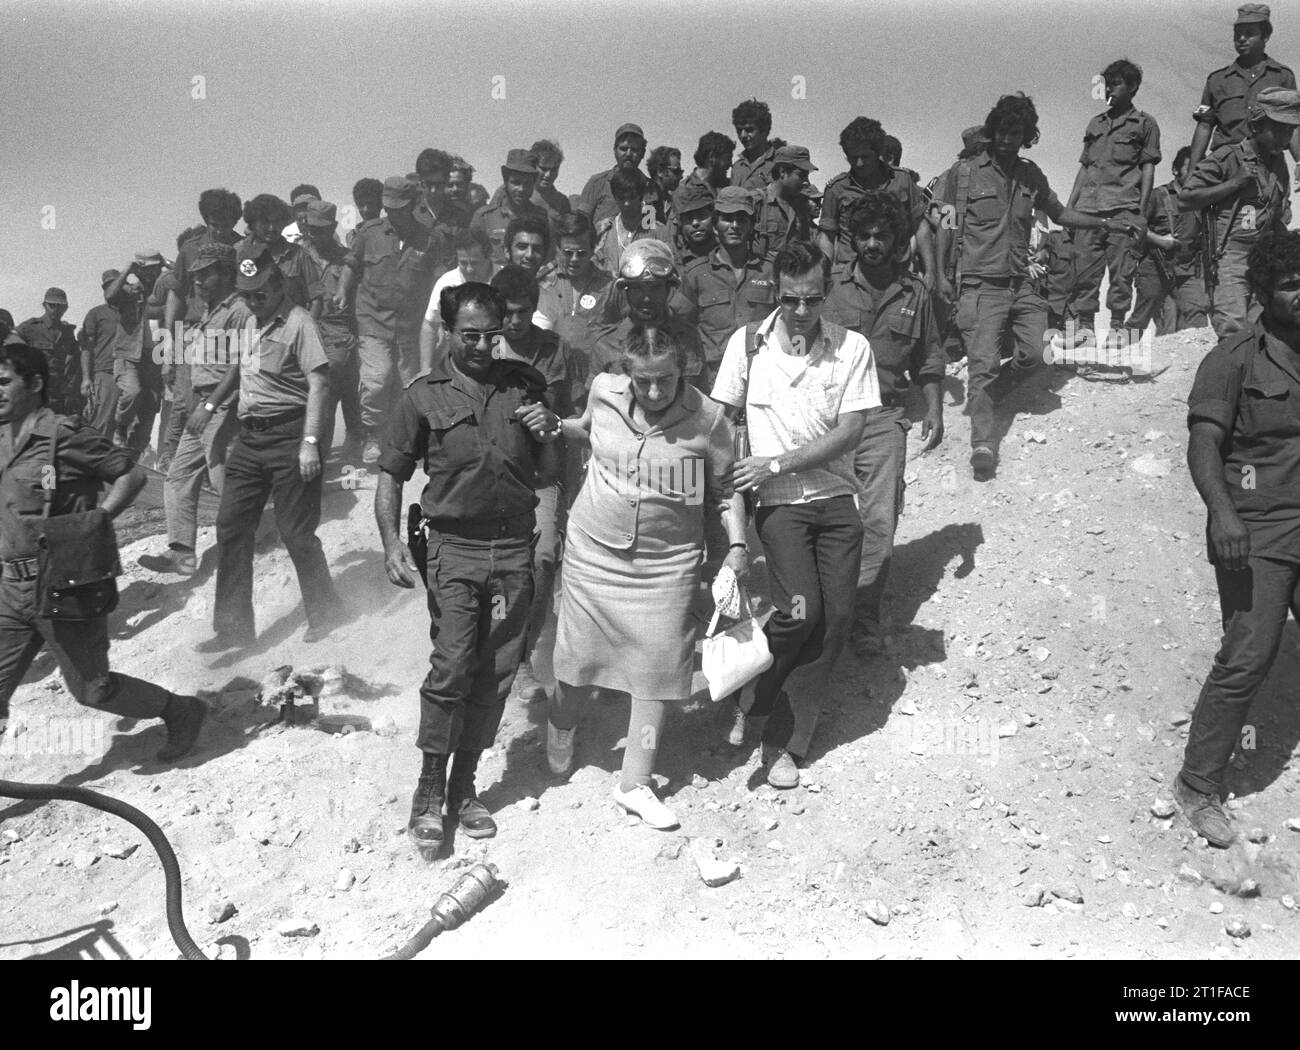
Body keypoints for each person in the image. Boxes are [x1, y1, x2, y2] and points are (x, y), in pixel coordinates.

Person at [376, 281, 562, 853]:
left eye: (491, 335)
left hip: (512, 552)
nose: (482, 346)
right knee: (453, 664)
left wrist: (548, 432)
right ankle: (429, 788)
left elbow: (548, 471)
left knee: (497, 671)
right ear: (448, 333)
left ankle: (464, 786)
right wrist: (390, 543)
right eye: (469, 335)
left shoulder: (524, 389)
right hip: (454, 550)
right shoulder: (421, 397)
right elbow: (391, 475)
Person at [547, 327, 745, 828]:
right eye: (643, 381)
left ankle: (635, 782)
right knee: (574, 665)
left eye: (666, 380)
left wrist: (737, 547)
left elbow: (726, 491)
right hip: (593, 555)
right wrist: (553, 425)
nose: (655, 392)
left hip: (666, 566)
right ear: (626, 373)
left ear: (683, 371)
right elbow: (585, 430)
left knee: (657, 673)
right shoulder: (603, 392)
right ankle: (561, 724)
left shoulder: (708, 419)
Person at [710, 241, 879, 788]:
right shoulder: (746, 347)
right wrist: (731, 511)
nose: (801, 310)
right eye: (790, 299)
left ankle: (780, 739)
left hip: (836, 501)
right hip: (780, 506)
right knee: (802, 614)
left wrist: (777, 461)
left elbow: (851, 431)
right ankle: (754, 692)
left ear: (827, 293)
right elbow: (719, 424)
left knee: (835, 622)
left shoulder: (851, 348)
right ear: (776, 292)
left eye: (812, 299)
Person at [0, 342, 206, 760]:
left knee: (93, 690)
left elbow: (130, 476)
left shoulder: (63, 434)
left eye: (3, 382)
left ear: (35, 383)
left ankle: (180, 710)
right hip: (10, 589)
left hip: (61, 584)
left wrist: (96, 523)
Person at [936, 93, 1143, 478]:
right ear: (992, 130)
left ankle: (994, 394)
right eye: (1001, 131)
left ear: (1026, 136)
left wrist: (1106, 223)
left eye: (1015, 133)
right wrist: (940, 277)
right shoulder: (962, 175)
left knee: (1038, 354)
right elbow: (944, 226)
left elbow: (1060, 214)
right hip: (980, 286)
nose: (1006, 139)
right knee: (983, 365)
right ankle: (983, 443)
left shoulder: (1031, 175)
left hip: (1022, 286)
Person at [1177, 227, 1300, 847]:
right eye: (1291, 284)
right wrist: (1222, 515)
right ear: (1263, 292)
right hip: (1258, 526)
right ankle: (1198, 783)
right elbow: (1204, 444)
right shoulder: (1233, 359)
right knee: (1249, 654)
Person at [196, 246, 344, 651]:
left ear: (279, 286)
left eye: (260, 293)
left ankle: (327, 611)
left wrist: (310, 443)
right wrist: (208, 407)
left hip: (290, 435)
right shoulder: (249, 321)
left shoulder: (300, 323)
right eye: (246, 294)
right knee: (231, 526)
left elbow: (320, 384)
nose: (253, 301)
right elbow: (238, 368)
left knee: (296, 532)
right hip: (250, 438)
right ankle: (233, 628)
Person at [823, 192, 945, 655]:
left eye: (882, 236)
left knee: (879, 519)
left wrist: (934, 408)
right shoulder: (830, 287)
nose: (873, 244)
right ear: (853, 240)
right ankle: (826, 614)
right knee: (827, 518)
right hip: (829, 419)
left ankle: (864, 618)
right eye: (864, 236)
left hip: (883, 417)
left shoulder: (915, 293)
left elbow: (929, 357)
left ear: (897, 240)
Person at [490, 266, 579, 705]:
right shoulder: (480, 348)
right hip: (490, 476)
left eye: (523, 312)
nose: (515, 321)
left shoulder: (556, 349)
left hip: (541, 475)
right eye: (506, 313)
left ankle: (522, 658)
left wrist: (554, 421)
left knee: (543, 558)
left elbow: (575, 415)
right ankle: (483, 652)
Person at [140, 243, 251, 577]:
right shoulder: (210, 312)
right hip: (203, 404)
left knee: (221, 474)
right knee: (178, 476)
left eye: (206, 274)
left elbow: (241, 366)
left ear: (227, 273)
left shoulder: (240, 311)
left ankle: (250, 536)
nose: (199, 282)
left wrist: (210, 405)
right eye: (197, 276)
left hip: (224, 405)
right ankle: (183, 554)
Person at [1179, 86, 1297, 338]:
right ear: (1256, 126)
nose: (1284, 138)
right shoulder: (1228, 157)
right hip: (1230, 257)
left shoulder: (1279, 164)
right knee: (1233, 332)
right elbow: (1186, 199)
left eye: (1289, 131)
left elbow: (1275, 216)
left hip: (1264, 259)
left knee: (1265, 333)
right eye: (1277, 129)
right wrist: (1234, 183)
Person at [339, 176, 437, 464]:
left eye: (400, 208)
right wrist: (342, 290)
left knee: (408, 384)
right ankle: (372, 434)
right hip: (373, 319)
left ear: (413, 205)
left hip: (409, 325)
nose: (393, 214)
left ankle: (405, 439)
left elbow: (436, 281)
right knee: (378, 379)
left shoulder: (429, 238)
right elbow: (351, 265)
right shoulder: (369, 233)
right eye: (389, 208)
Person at [1062, 59, 1161, 341]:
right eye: (1106, 84)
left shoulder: (1145, 124)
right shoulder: (1096, 123)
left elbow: (1148, 167)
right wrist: (1070, 208)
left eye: (1116, 84)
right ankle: (1085, 328)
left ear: (1133, 87)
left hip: (1123, 207)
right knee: (1084, 272)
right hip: (1088, 210)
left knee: (1121, 274)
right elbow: (1085, 167)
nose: (1109, 90)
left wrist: (1141, 211)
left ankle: (1117, 327)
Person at [679, 186, 777, 392]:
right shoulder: (695, 274)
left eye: (741, 219)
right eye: (727, 219)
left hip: (762, 379)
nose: (734, 226)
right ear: (715, 226)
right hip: (713, 381)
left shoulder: (770, 271)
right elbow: (682, 330)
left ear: (751, 226)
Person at [819, 116, 933, 285]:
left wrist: (930, 272)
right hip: (850, 279)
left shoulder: (902, 181)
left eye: (865, 157)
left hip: (896, 276)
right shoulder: (836, 188)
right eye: (853, 157)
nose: (859, 163)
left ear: (878, 152)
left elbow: (920, 227)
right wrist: (824, 275)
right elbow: (826, 237)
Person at [1189, 4, 1300, 173]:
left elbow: (1292, 125)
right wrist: (1192, 170)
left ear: (1265, 36)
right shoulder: (1217, 79)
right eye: (1238, 33)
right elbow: (1204, 126)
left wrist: (1299, 161)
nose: (1241, 38)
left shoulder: (1282, 76)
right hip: (1226, 164)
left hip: (1268, 166)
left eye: (1249, 33)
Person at [590, 241, 704, 386]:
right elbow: (595, 399)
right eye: (637, 288)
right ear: (625, 290)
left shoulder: (688, 337)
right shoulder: (606, 345)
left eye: (655, 288)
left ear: (668, 289)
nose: (646, 298)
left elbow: (700, 395)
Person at [1123, 147, 1209, 335]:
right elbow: (1132, 226)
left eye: (1200, 170)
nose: (1195, 175)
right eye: (1190, 168)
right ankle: (1112, 351)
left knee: (1198, 317)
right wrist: (1160, 240)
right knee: (1140, 320)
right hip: (1155, 266)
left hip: (1187, 269)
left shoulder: (1202, 202)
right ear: (1175, 170)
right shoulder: (1157, 196)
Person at [300, 200, 363, 459]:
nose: (317, 235)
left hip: (338, 331)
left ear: (333, 227)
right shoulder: (299, 255)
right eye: (312, 229)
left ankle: (327, 447)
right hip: (306, 327)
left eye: (323, 230)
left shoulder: (347, 259)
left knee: (331, 384)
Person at [538, 212, 613, 395]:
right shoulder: (543, 282)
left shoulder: (610, 286)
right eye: (567, 253)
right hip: (552, 382)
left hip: (596, 383)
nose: (574, 259)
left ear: (593, 249)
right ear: (557, 248)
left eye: (581, 253)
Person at [419, 227, 496, 369]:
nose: (469, 269)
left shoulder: (503, 279)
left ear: (488, 256)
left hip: (496, 354)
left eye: (475, 263)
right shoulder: (447, 283)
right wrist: (425, 369)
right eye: (463, 263)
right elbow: (429, 326)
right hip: (458, 359)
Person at [471, 149, 548, 266]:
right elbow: (472, 258)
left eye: (527, 184)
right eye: (516, 182)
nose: (521, 189)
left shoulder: (540, 216)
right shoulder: (484, 217)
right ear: (505, 181)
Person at [592, 168, 671, 276]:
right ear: (615, 197)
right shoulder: (603, 229)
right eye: (621, 198)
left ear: (641, 196)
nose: (627, 203)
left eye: (632, 197)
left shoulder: (658, 231)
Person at [16, 289, 82, 418]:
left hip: (58, 394)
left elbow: (74, 362)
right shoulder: (30, 328)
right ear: (44, 305)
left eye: (60, 306)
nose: (55, 310)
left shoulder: (67, 332)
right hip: (36, 390)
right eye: (52, 305)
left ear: (66, 308)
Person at [78, 271, 127, 437]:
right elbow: (86, 348)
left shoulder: (133, 311)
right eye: (109, 286)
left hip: (129, 375)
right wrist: (86, 378)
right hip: (106, 374)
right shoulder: (96, 313)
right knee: (101, 426)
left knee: (124, 429)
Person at [578, 123, 653, 230]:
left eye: (634, 150)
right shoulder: (597, 183)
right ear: (615, 150)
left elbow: (651, 227)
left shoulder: (651, 188)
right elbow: (580, 224)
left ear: (643, 153)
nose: (628, 154)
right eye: (623, 149)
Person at [752, 145, 817, 267]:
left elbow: (805, 246)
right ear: (782, 172)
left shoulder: (801, 205)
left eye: (807, 176)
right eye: (801, 175)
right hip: (761, 274)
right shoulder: (757, 202)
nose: (807, 182)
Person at [730, 98, 784, 190]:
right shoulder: (737, 168)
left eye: (749, 130)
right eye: (739, 131)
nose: (743, 135)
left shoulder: (779, 163)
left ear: (764, 130)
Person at [672, 180, 717, 267]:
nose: (695, 223)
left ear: (713, 216)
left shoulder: (730, 255)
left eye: (702, 215)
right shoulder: (676, 264)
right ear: (680, 222)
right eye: (688, 218)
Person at [647, 145, 683, 224]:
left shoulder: (676, 203)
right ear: (660, 171)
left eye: (681, 172)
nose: (681, 176)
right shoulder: (642, 202)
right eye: (676, 171)